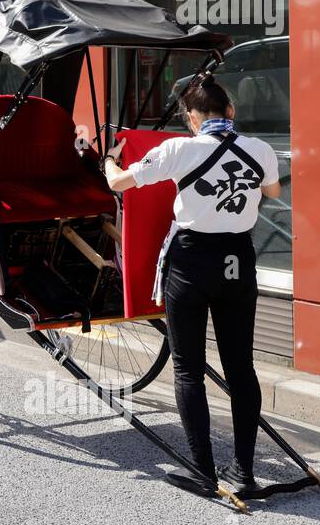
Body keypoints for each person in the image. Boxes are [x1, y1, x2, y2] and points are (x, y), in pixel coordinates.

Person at [102, 75, 282, 497]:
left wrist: (109, 159)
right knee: (241, 368)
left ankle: (203, 470)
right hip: (238, 261)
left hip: (191, 263)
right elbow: (271, 190)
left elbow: (118, 183)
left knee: (188, 368)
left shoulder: (179, 149)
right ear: (231, 112)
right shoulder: (260, 150)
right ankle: (244, 471)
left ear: (193, 118)